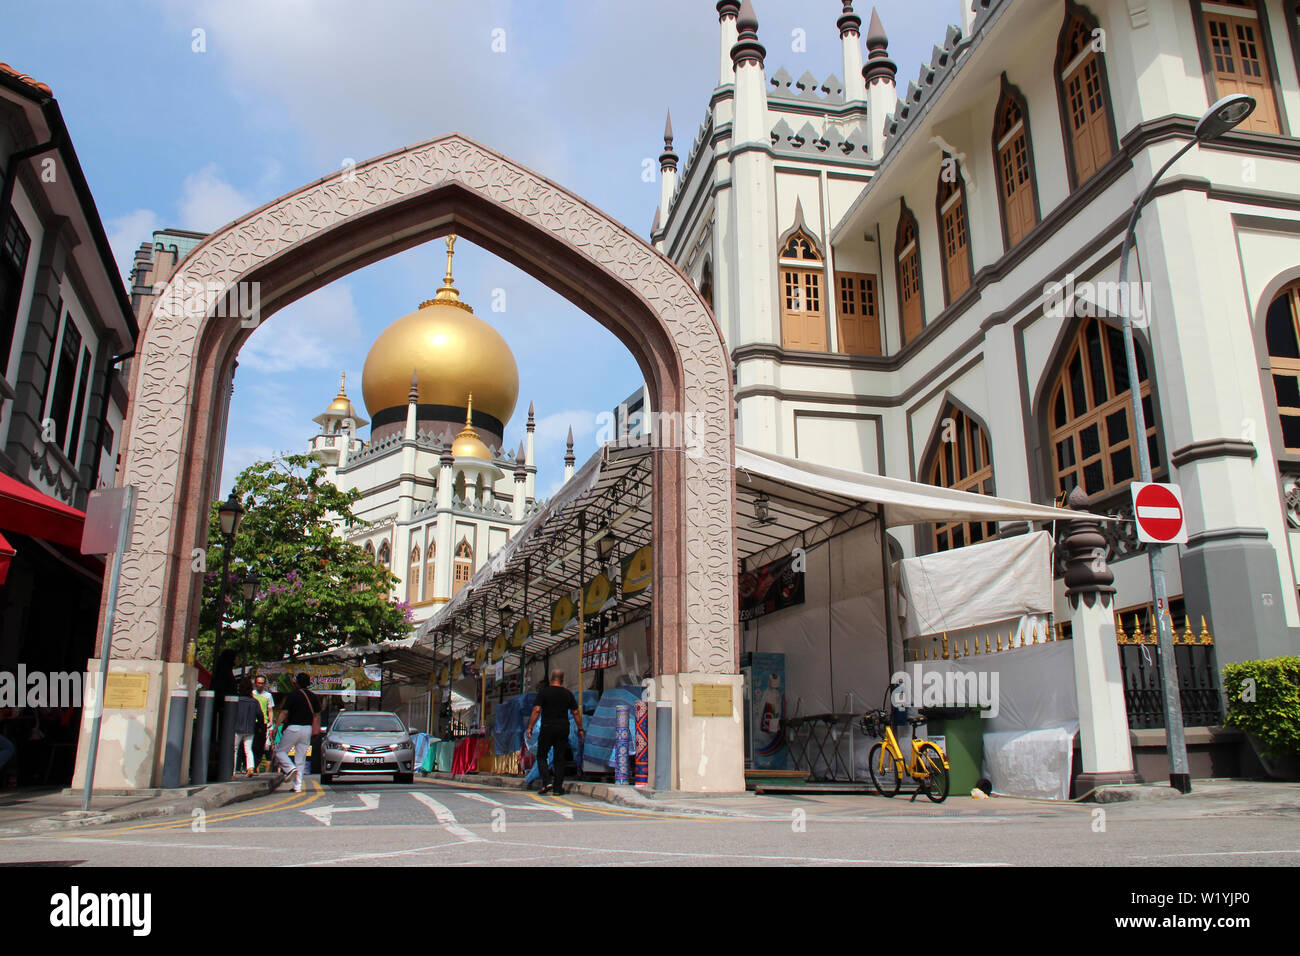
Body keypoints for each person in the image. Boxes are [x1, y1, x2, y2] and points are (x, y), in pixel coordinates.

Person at [525, 668, 583, 795]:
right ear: (563, 680)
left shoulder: (544, 692)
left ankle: (547, 782)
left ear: (551, 679)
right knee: (559, 758)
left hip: (547, 727)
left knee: (541, 755)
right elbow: (576, 712)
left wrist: (530, 727)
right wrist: (580, 729)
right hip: (563, 729)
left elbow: (536, 710)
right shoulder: (568, 694)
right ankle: (557, 789)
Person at [274, 673, 320, 793]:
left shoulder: (293, 695)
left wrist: (276, 727)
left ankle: (290, 768)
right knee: (301, 758)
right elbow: (317, 715)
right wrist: (317, 730)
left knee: (280, 752)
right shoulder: (313, 696)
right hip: (307, 729)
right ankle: (297, 786)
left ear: (297, 682)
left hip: (293, 728)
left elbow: (284, 712)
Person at [233, 678, 259, 777]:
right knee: (248, 749)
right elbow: (260, 715)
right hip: (250, 728)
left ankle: (232, 771)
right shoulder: (254, 701)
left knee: (234, 749)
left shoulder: (237, 700)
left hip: (237, 728)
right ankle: (250, 767)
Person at [251, 675, 275, 771]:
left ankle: (256, 766)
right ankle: (252, 767)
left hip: (263, 724)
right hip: (252, 723)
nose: (260, 685)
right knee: (252, 746)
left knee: (261, 747)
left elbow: (270, 710)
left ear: (265, 684)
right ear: (255, 684)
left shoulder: (268, 695)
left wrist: (270, 723)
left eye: (262, 683)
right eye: (258, 683)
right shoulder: (252, 694)